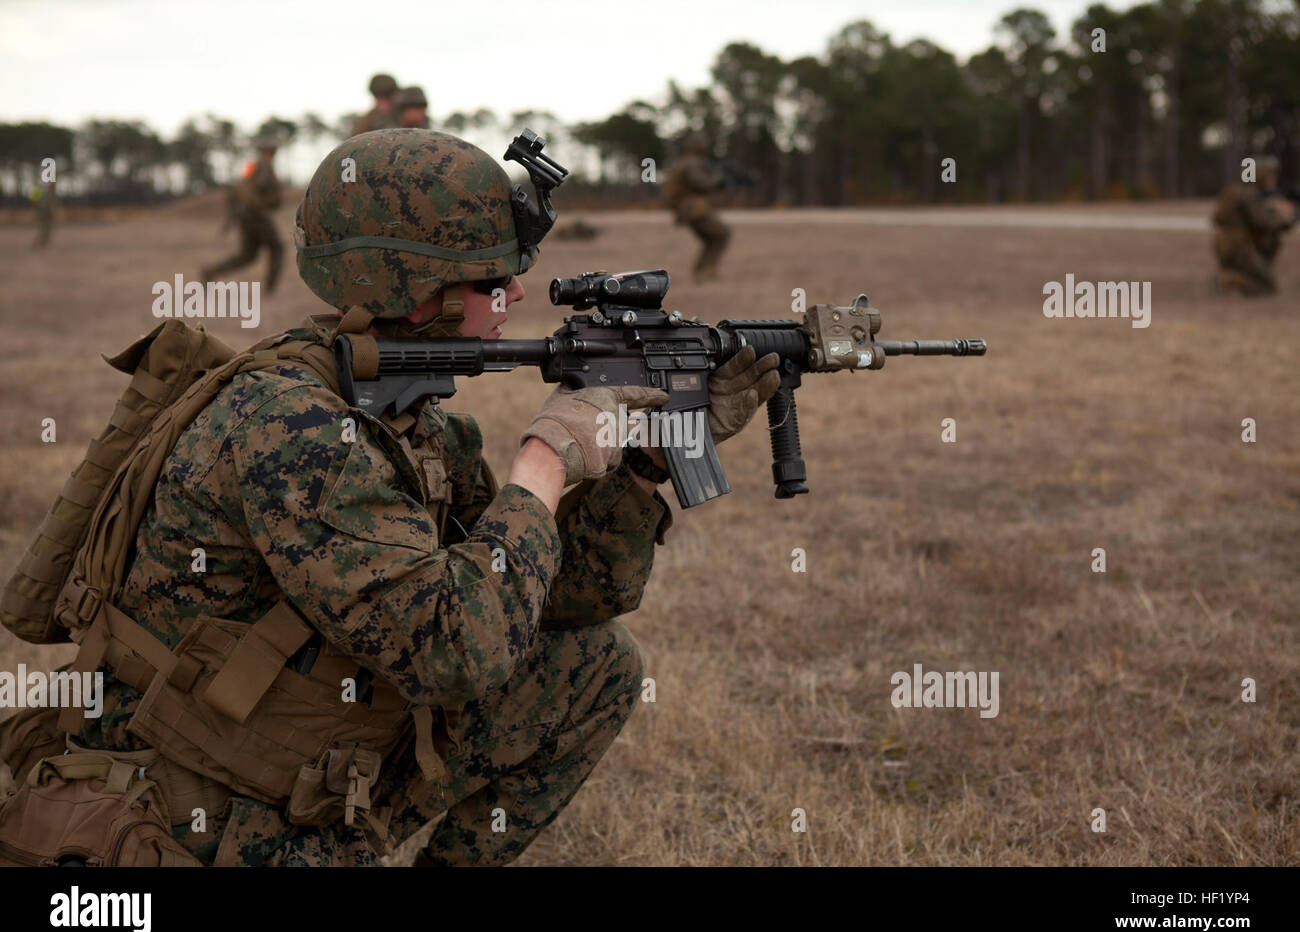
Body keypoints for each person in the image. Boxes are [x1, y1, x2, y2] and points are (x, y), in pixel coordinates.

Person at [0, 128, 778, 866]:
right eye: (489, 278)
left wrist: (643, 467)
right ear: (413, 287)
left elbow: (556, 601)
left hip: (280, 750)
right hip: (193, 809)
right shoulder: (295, 430)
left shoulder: (398, 414)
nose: (513, 293)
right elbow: (458, 655)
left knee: (596, 664)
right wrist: (543, 464)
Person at [201, 135, 283, 292]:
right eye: (274, 150)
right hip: (257, 214)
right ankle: (270, 287)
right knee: (277, 248)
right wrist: (271, 196)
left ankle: (210, 272)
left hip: (246, 215)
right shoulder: (265, 164)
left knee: (247, 256)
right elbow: (262, 185)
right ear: (270, 151)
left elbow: (239, 190)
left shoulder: (251, 166)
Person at [1212, 155, 1297, 295]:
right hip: (1239, 247)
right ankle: (1230, 280)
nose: (1272, 181)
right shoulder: (1249, 195)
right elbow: (1264, 222)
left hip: (1225, 245)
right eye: (1269, 178)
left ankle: (1232, 276)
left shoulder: (1234, 191)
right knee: (1267, 287)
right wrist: (1289, 219)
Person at [663, 132, 731, 281]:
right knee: (721, 234)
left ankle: (703, 270)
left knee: (713, 237)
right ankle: (705, 271)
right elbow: (702, 184)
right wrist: (718, 179)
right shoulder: (691, 164)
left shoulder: (684, 163)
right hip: (694, 209)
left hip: (688, 209)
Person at [30, 178, 56, 249]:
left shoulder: (45, 196)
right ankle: (36, 244)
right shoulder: (44, 197)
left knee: (45, 232)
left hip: (45, 217)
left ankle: (41, 244)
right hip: (44, 218)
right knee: (43, 232)